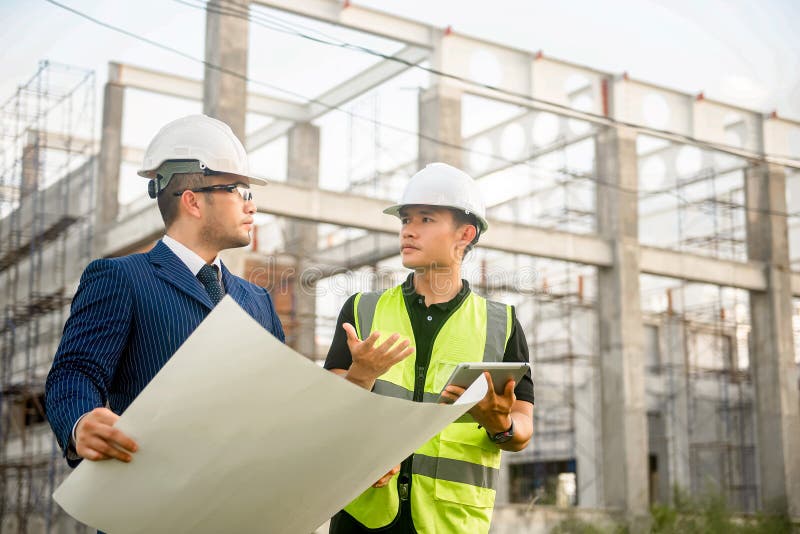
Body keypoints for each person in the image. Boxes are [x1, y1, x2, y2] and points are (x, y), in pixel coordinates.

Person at [46, 114, 285, 467]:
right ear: (192, 201)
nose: (252, 205)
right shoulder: (120, 279)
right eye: (240, 192)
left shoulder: (258, 301)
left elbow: (284, 401)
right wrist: (81, 422)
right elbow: (76, 371)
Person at [324, 162, 535, 534]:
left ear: (464, 234)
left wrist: (500, 425)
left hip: (450, 522)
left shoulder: (501, 325)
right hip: (363, 517)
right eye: (406, 219)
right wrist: (361, 375)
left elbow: (522, 427)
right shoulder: (361, 310)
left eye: (425, 219)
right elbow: (327, 417)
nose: (408, 230)